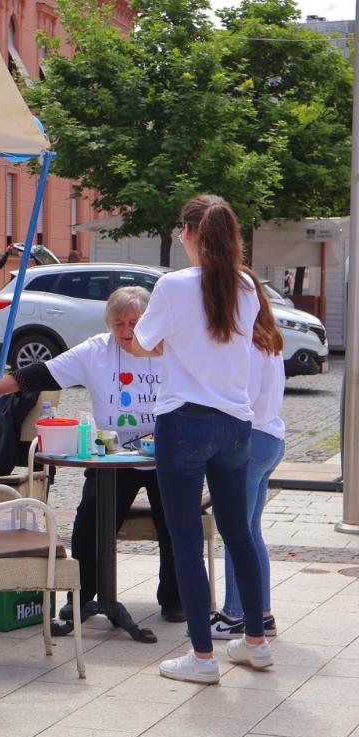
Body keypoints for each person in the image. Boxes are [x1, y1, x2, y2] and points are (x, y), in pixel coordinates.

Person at [0, 286, 183, 623]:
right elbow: (41, 372)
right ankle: (82, 596)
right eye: (119, 323)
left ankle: (175, 599)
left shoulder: (170, 347)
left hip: (166, 453)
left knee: (174, 526)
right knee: (89, 521)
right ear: (109, 324)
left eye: (135, 323)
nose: (127, 332)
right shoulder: (97, 350)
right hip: (113, 453)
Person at [128, 194, 272, 684]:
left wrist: (176, 342)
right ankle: (255, 641)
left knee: (187, 541)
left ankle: (203, 657)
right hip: (236, 423)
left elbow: (143, 343)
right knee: (239, 536)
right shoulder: (248, 286)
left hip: (184, 421)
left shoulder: (171, 285)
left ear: (189, 234)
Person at [210, 290, 286, 639]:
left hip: (250, 440)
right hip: (270, 438)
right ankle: (262, 612)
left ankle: (236, 613)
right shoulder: (269, 340)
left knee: (235, 533)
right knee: (251, 532)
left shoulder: (249, 347)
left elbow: (244, 400)